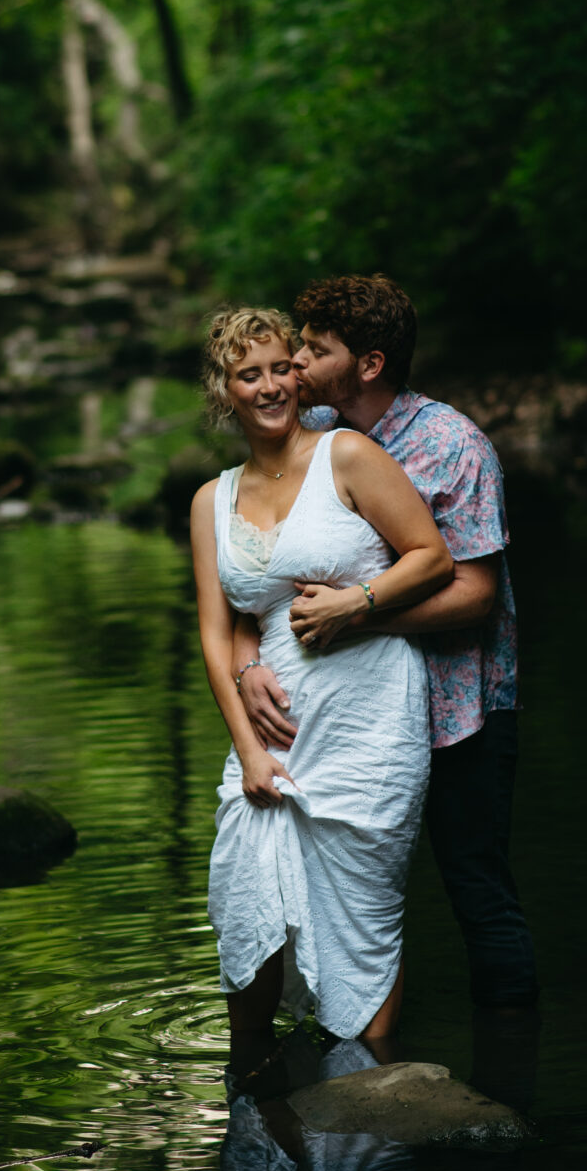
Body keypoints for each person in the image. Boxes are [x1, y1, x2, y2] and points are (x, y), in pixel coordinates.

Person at [235, 274, 539, 1012]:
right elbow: (252, 576)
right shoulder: (311, 444)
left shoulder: (449, 445)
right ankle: (353, 1058)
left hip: (460, 713)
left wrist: (356, 613)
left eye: (315, 349)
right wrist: (249, 663)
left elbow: (475, 593)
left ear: (368, 365)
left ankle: (509, 1086)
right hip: (352, 713)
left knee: (475, 888)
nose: (296, 363)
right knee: (349, 888)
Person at [190, 307, 454, 1051]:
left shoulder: (347, 455)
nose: (272, 385)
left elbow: (429, 557)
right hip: (273, 733)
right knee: (247, 899)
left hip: (370, 720)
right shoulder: (211, 500)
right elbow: (218, 630)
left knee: (364, 908)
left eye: (282, 367)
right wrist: (247, 749)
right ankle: (252, 1079)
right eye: (251, 374)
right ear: (225, 391)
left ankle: (368, 1091)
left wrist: (357, 599)